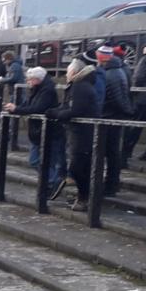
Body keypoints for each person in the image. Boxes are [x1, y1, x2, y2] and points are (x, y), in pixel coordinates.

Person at [46, 58, 101, 211]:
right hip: (80, 133)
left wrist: (55, 114)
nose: (66, 75)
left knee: (78, 168)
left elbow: (76, 110)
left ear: (75, 72)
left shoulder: (80, 87)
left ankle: (84, 199)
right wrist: (57, 111)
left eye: (68, 72)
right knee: (80, 168)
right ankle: (84, 198)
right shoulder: (80, 86)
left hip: (82, 134)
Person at [3, 67, 64, 197]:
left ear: (37, 79)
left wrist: (17, 109)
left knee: (43, 160)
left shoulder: (47, 90)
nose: (27, 81)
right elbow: (28, 105)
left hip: (48, 131)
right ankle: (51, 183)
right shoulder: (36, 89)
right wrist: (15, 108)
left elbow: (38, 108)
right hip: (37, 131)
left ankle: (53, 182)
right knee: (36, 160)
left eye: (29, 79)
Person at [97, 45, 134, 197]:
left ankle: (110, 185)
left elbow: (117, 97)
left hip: (110, 117)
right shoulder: (120, 70)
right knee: (112, 152)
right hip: (115, 115)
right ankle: (111, 183)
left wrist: (126, 111)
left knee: (110, 152)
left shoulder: (111, 74)